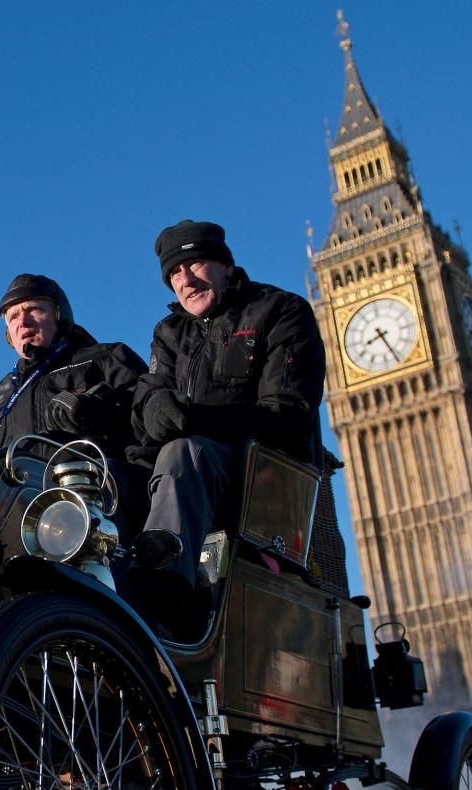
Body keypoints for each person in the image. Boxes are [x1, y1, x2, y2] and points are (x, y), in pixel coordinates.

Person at [129, 220, 326, 614]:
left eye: (194, 264)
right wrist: (153, 410)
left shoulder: (280, 310)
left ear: (225, 265)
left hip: (260, 474)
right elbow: (148, 395)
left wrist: (194, 419)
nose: (184, 280)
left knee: (186, 453)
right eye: (173, 274)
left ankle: (162, 596)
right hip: (181, 472)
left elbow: (287, 414)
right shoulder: (169, 332)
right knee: (108, 479)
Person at [0, 273, 150, 530]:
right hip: (21, 515)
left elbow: (149, 413)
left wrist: (99, 409)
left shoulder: (105, 359)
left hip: (95, 503)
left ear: (59, 315)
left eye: (33, 309)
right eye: (12, 317)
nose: (22, 321)